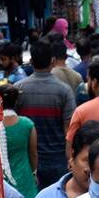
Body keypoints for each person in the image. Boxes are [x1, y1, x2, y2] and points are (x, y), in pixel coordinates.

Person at [15, 40, 76, 188]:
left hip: (28, 159)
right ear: (53, 61)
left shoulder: (18, 89)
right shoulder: (64, 91)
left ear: (31, 61)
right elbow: (69, 129)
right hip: (58, 159)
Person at [0, 85, 39, 198]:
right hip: (24, 179)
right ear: (16, 101)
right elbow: (33, 153)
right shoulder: (27, 124)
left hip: (2, 180)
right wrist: (34, 173)